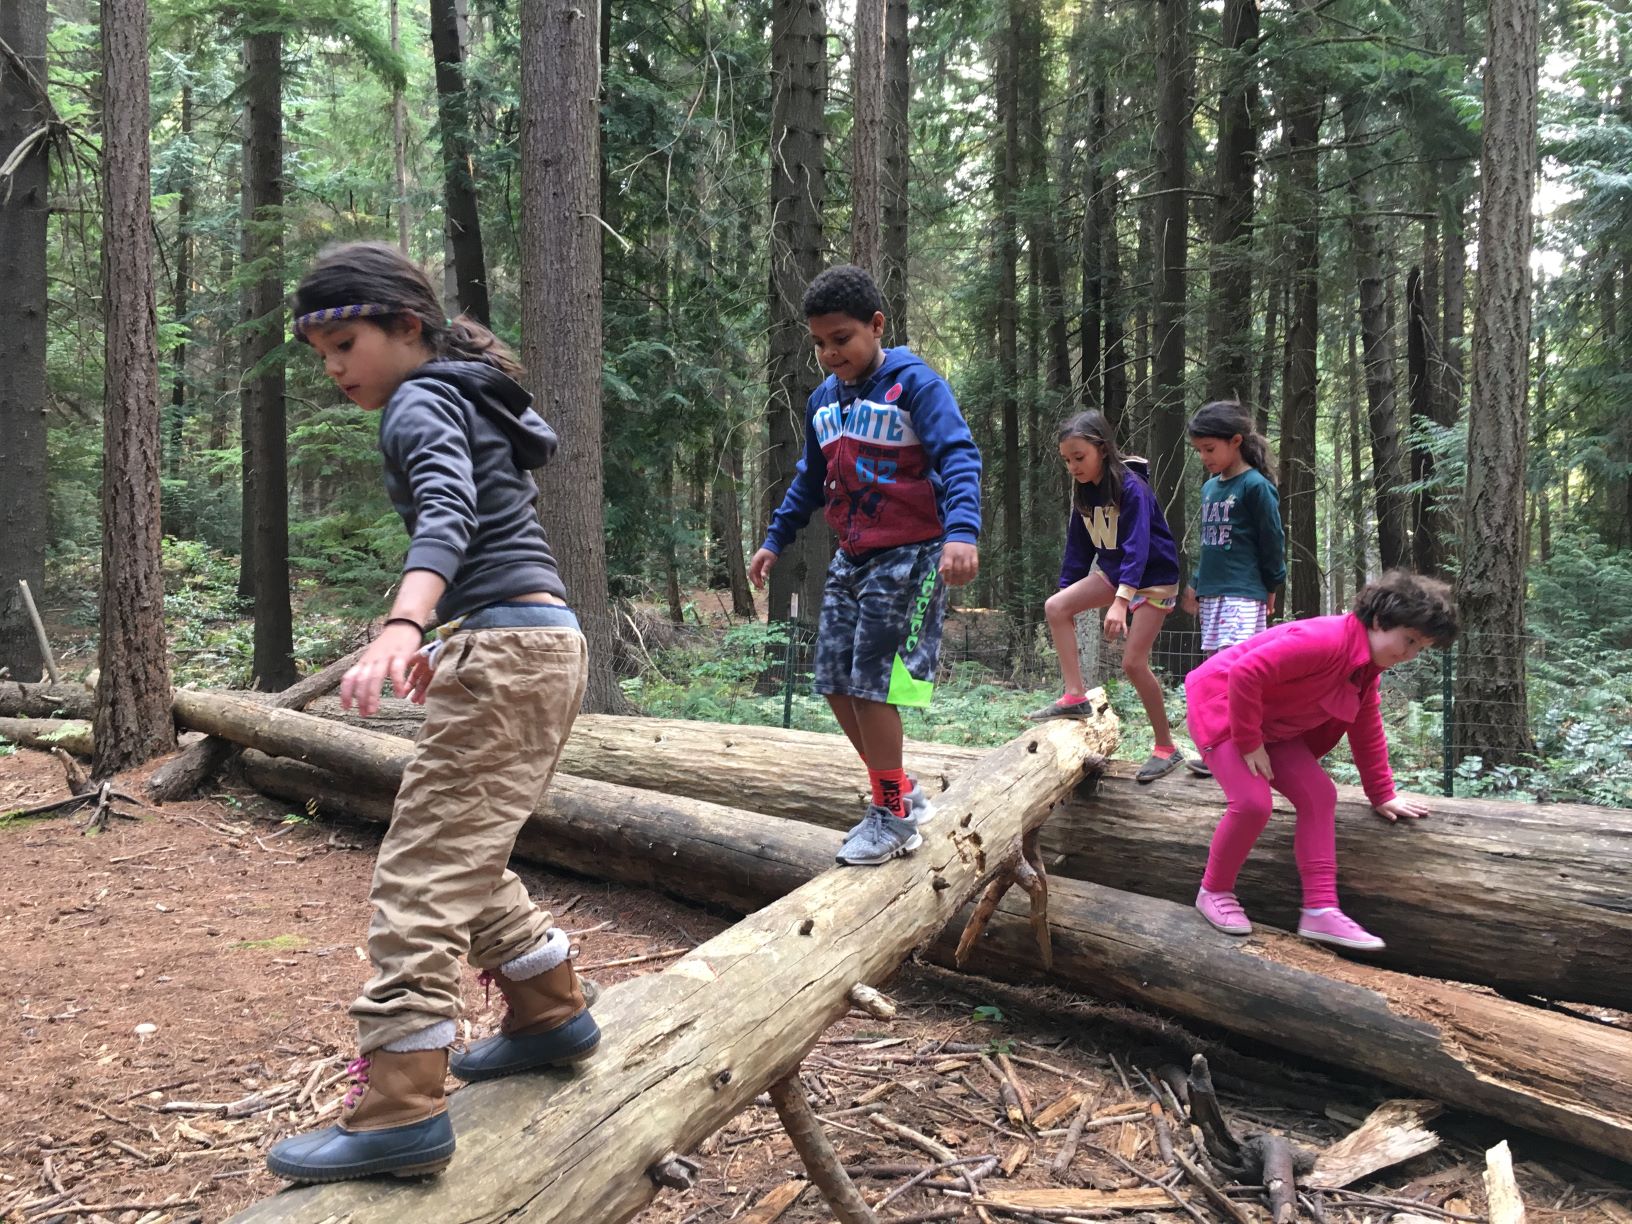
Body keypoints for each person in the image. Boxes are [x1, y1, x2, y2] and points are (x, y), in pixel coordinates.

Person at [264, 242, 600, 1183]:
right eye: (321, 354)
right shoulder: (462, 395)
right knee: (459, 843)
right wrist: (450, 634)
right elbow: (496, 526)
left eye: (344, 344)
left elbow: (449, 513)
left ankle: (400, 1107)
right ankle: (548, 1010)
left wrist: (406, 622)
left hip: (507, 649)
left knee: (419, 871)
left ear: (405, 327)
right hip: (533, 641)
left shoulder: (420, 400)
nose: (334, 370)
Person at [749, 264, 982, 866]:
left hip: (912, 552)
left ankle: (891, 813)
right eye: (820, 342)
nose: (829, 353)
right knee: (832, 679)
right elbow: (809, 476)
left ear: (876, 326)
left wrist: (962, 532)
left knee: (874, 681)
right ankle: (898, 789)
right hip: (851, 555)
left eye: (842, 338)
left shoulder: (916, 385)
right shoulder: (823, 401)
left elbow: (958, 455)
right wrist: (776, 538)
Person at [1187, 570, 1458, 952]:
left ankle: (1320, 908)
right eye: (1408, 641)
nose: (1410, 655)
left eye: (1420, 648)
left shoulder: (1367, 668)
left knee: (1319, 795)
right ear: (1380, 621)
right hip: (1224, 710)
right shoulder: (1325, 639)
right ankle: (1212, 890)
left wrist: (1381, 793)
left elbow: (1366, 724)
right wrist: (1249, 743)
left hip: (1272, 725)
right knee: (1252, 803)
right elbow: (1245, 674)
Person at [1027, 410, 1187, 784]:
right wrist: (1069, 587)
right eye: (1066, 460)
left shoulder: (1131, 488)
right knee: (1056, 607)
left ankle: (1166, 746)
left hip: (1154, 579)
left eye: (1079, 457)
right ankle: (1074, 695)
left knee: (1133, 664)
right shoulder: (1083, 491)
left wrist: (1122, 601)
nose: (1073, 466)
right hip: (1117, 574)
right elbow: (1079, 546)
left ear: (1102, 449)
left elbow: (1138, 547)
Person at [1179, 400, 1285, 777]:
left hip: (1244, 591)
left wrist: (1274, 582)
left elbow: (1272, 540)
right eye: (1199, 451)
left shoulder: (1255, 486)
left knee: (1235, 671)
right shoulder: (1210, 488)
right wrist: (1195, 583)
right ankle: (1220, 750)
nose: (1205, 457)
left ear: (1236, 441)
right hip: (1214, 594)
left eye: (1210, 449)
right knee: (1214, 670)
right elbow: (1210, 544)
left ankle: (1241, 748)